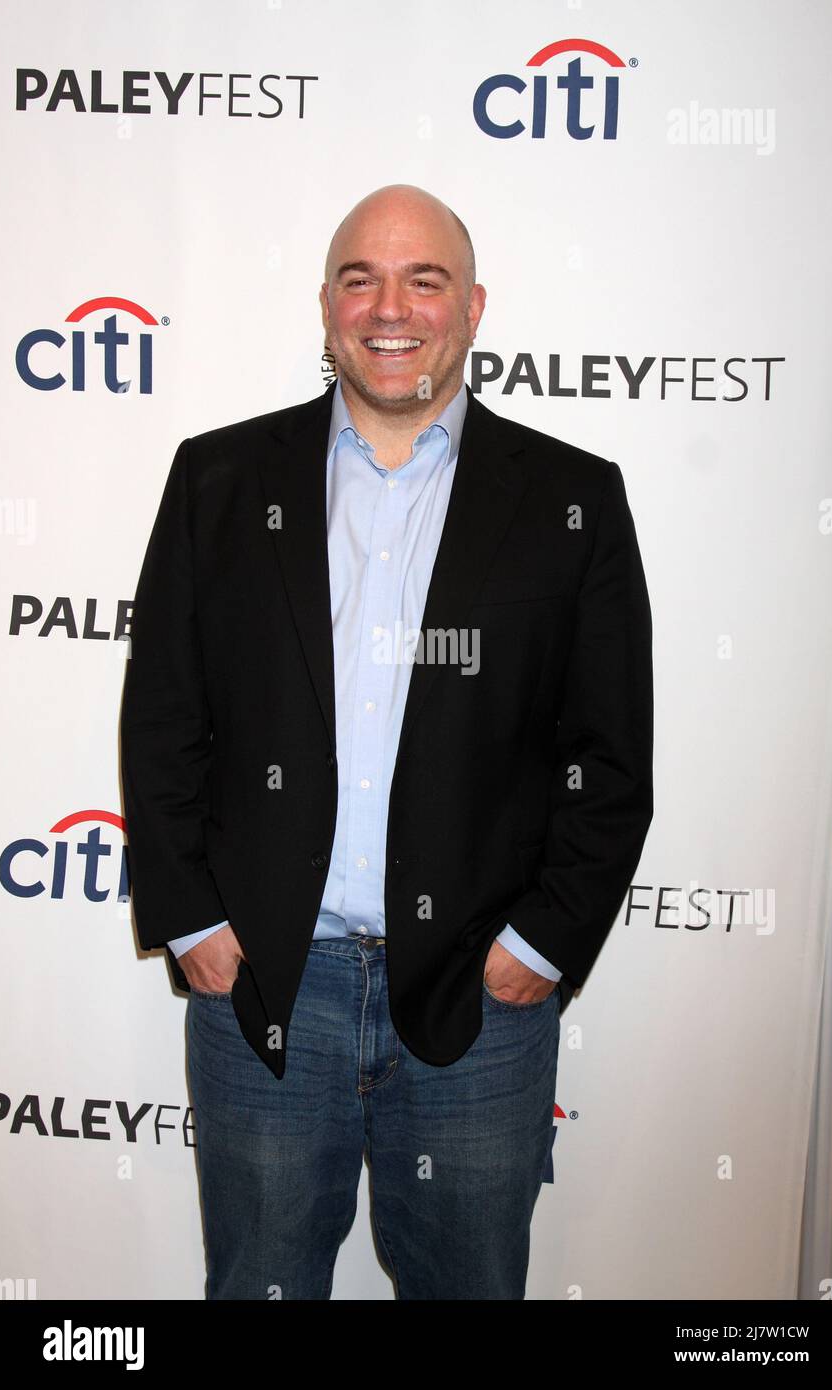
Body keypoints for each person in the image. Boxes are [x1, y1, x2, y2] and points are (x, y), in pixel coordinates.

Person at [120, 183, 654, 1300]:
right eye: (360, 277)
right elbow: (166, 715)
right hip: (265, 986)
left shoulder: (571, 499)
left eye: (424, 279)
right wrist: (194, 920)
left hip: (479, 1000)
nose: (389, 306)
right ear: (326, 306)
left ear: (471, 308)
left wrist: (542, 945)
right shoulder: (218, 480)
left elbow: (607, 755)